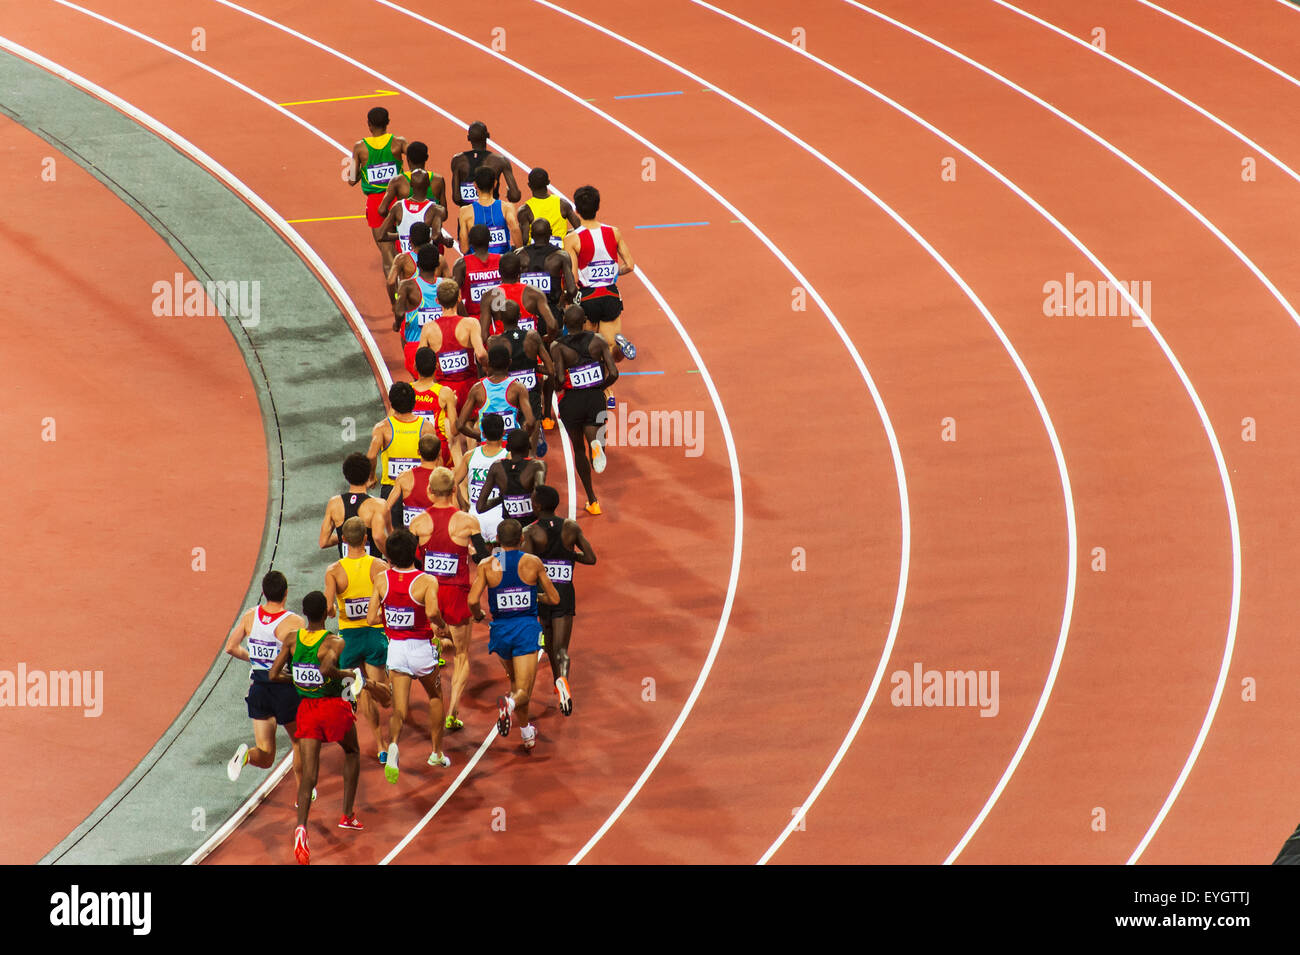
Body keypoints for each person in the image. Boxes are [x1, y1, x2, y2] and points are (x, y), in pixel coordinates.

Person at [268, 591, 367, 864]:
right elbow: (325, 670)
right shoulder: (335, 641)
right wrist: (347, 674)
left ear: (305, 614)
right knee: (352, 752)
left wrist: (299, 680)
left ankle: (301, 827)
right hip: (333, 707)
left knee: (309, 774)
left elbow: (274, 674)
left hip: (307, 711)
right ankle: (347, 814)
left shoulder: (292, 639)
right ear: (326, 613)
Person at [366, 529, 452, 780]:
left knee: (399, 709)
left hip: (396, 651)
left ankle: (393, 744)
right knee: (435, 696)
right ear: (414, 552)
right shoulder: (427, 581)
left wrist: (393, 616)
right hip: (421, 649)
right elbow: (434, 612)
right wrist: (441, 626)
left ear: (389, 557)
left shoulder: (382, 579)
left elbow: (372, 617)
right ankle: (437, 752)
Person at [468, 519, 560, 751]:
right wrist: (535, 597)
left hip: (500, 631)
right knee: (523, 691)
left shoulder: (488, 565)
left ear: (497, 540)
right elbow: (555, 598)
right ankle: (509, 704)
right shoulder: (532, 562)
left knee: (516, 682)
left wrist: (478, 615)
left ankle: (526, 731)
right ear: (522, 539)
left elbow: (471, 600)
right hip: (525, 630)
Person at [409, 468, 489, 732]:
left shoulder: (418, 524)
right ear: (455, 490)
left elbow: (412, 562)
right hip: (457, 594)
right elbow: (483, 559)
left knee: (427, 650)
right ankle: (452, 711)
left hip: (428, 593)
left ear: (429, 492)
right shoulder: (467, 522)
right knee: (463, 655)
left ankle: (432, 701)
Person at [224, 571, 306, 790]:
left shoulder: (250, 616)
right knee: (299, 742)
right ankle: (302, 792)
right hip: (285, 691)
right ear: (286, 593)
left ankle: (247, 756)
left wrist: (255, 658)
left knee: (266, 756)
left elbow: (230, 647)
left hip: (259, 690)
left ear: (263, 592)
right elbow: (301, 659)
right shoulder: (294, 622)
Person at [324, 518, 392, 765]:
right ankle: (370, 685)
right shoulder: (380, 566)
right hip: (374, 635)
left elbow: (328, 609)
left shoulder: (333, 571)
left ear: (343, 540)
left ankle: (381, 745)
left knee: (362, 694)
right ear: (366, 538)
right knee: (385, 698)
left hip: (349, 638)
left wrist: (334, 610)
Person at [523, 487, 596, 717]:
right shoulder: (570, 527)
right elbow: (591, 558)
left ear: (537, 506)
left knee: (548, 641)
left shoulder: (530, 532)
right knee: (562, 649)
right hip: (564, 592)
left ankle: (558, 681)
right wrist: (570, 556)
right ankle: (561, 680)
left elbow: (524, 568)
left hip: (543, 593)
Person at [550, 305, 619, 514]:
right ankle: (598, 446)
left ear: (564, 324)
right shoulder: (597, 340)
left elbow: (561, 380)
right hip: (594, 398)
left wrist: (555, 383)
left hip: (572, 401)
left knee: (578, 449)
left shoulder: (557, 346)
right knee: (596, 433)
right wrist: (600, 387)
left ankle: (592, 500)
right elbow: (614, 373)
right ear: (585, 321)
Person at [564, 184, 637, 361]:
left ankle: (601, 388)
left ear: (576, 210)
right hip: (610, 294)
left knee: (589, 349)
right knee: (610, 348)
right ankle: (618, 348)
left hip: (587, 297)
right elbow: (630, 265)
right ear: (598, 207)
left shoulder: (572, 238)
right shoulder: (613, 232)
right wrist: (612, 274)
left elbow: (572, 278)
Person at [488, 297, 555, 457]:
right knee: (529, 454)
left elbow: (490, 373)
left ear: (500, 319)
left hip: (507, 395)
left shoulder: (495, 342)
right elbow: (550, 370)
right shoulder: (533, 337)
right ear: (519, 317)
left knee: (507, 448)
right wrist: (533, 368)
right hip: (531, 395)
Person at [349, 107, 407, 289]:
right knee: (406, 244)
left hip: (376, 203)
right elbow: (415, 159)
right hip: (398, 198)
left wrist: (365, 169)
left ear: (369, 125)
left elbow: (351, 179)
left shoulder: (360, 147)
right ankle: (411, 287)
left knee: (386, 251)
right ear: (388, 122)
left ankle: (396, 295)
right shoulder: (398, 143)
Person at [367, 381, 437, 530]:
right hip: (418, 489)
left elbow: (372, 455)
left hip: (391, 488)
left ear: (391, 404)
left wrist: (372, 476)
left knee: (394, 534)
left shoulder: (382, 427)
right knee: (422, 531)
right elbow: (437, 459)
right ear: (414, 402)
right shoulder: (426, 427)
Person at [418, 278, 487, 424]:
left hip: (443, 390)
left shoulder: (428, 328)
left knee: (450, 436)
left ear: (437, 300)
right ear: (459, 298)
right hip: (469, 387)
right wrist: (488, 371)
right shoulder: (471, 324)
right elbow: (481, 354)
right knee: (471, 431)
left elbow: (419, 362)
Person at [455, 343, 535, 445]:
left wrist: (480, 437)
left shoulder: (477, 389)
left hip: (487, 445)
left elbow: (460, 425)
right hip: (510, 446)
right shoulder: (518, 388)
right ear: (510, 362)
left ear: (488, 363)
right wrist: (521, 439)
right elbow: (531, 422)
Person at [394, 245, 455, 375]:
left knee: (419, 384)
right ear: (437, 264)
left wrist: (397, 325)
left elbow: (399, 312)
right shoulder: (446, 284)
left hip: (416, 346)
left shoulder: (408, 285)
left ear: (417, 264)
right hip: (442, 345)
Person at [319, 452, 389, 558]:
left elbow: (323, 542)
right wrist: (391, 558)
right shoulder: (378, 504)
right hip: (371, 570)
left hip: (346, 571)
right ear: (368, 475)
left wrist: (350, 537)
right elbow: (378, 536)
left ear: (346, 475)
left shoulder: (334, 503)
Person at [453, 411, 508, 546]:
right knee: (499, 563)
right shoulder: (508, 457)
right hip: (499, 517)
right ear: (503, 432)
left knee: (481, 561)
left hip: (475, 516)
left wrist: (463, 504)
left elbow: (452, 483)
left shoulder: (469, 455)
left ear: (482, 434)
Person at [477, 429, 546, 529]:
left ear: (508, 448)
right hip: (533, 529)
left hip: (509, 531)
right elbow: (541, 499)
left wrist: (502, 498)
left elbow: (480, 507)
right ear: (529, 446)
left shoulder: (496, 467)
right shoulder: (537, 466)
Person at [482, 252, 556, 339]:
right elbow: (552, 325)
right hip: (528, 348)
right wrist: (547, 338)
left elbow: (484, 335)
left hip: (503, 349)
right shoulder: (534, 293)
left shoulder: (489, 296)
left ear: (499, 272)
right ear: (520, 270)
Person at [377, 140, 448, 229]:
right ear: (427, 158)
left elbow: (382, 210)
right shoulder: (438, 180)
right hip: (432, 238)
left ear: (407, 159)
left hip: (406, 236)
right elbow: (444, 214)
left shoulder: (397, 181)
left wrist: (398, 219)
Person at [449, 121, 520, 208]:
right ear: (488, 135)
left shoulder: (458, 160)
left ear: (468, 138)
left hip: (468, 216)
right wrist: (509, 194)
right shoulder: (501, 160)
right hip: (492, 215)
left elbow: (456, 198)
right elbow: (515, 196)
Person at [458, 165, 520, 257]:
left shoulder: (465, 211)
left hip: (477, 264)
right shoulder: (507, 207)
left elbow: (464, 248)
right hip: (502, 263)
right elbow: (515, 230)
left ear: (475, 185)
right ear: (495, 184)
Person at [387, 432, 444, 528]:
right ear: (440, 453)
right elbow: (454, 510)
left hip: (410, 537)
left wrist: (390, 531)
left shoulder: (404, 477)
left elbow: (386, 507)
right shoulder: (445, 478)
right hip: (435, 534)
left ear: (418, 452)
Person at [453, 224, 502, 331]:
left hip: (474, 321)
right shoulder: (502, 260)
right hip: (500, 320)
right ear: (490, 240)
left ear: (470, 242)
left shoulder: (461, 264)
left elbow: (453, 295)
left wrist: (465, 318)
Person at [515, 168, 580, 247]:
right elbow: (579, 228)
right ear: (548, 182)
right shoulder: (562, 204)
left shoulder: (525, 210)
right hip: (561, 255)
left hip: (536, 255)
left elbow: (524, 240)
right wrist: (566, 234)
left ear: (529, 185)